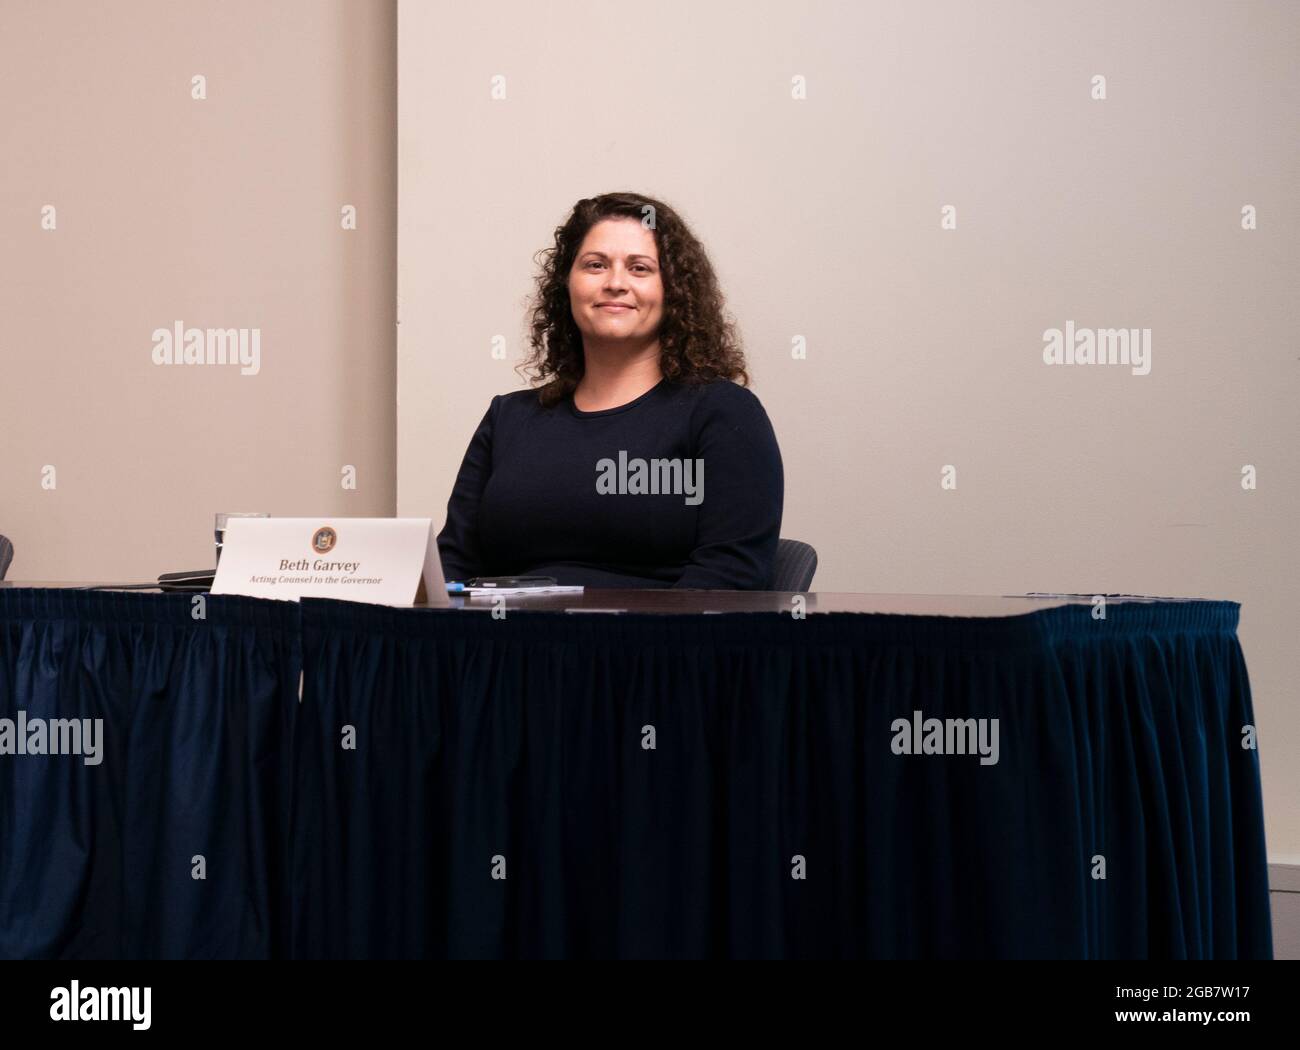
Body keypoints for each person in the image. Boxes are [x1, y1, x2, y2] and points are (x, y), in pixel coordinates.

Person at [436, 191, 783, 589]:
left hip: (650, 647)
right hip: (504, 644)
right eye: (596, 265)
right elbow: (452, 566)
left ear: (673, 291)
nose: (616, 284)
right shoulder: (508, 418)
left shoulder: (722, 413)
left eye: (639, 268)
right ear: (567, 285)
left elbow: (729, 578)